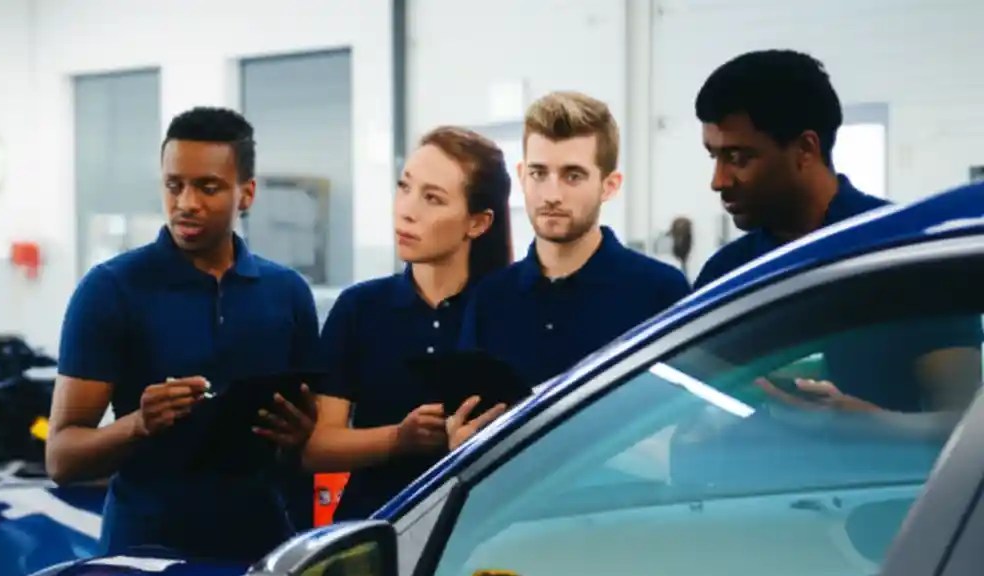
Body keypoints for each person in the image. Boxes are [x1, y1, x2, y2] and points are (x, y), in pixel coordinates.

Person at [46, 107, 320, 561]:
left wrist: (299, 436)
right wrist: (139, 424)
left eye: (207, 187)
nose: (186, 202)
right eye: (174, 185)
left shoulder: (287, 293)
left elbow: (308, 449)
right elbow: (61, 458)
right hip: (143, 557)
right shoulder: (111, 289)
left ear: (246, 194)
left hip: (258, 554)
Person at [692, 50, 981, 414]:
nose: (718, 181)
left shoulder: (908, 259)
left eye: (738, 158)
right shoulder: (725, 276)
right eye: (713, 157)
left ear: (805, 149)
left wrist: (860, 426)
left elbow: (960, 425)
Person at [450, 91, 690, 446]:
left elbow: (688, 422)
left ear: (609, 186)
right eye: (539, 173)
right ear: (522, 176)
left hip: (629, 500)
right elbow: (467, 419)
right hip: (515, 500)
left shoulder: (660, 292)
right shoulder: (489, 300)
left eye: (573, 176)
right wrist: (460, 442)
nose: (551, 194)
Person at [303, 127, 512, 520]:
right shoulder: (360, 307)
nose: (407, 209)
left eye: (432, 198)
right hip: (371, 533)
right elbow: (316, 446)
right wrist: (398, 439)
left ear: (478, 223)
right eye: (405, 188)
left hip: (474, 532)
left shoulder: (507, 311)